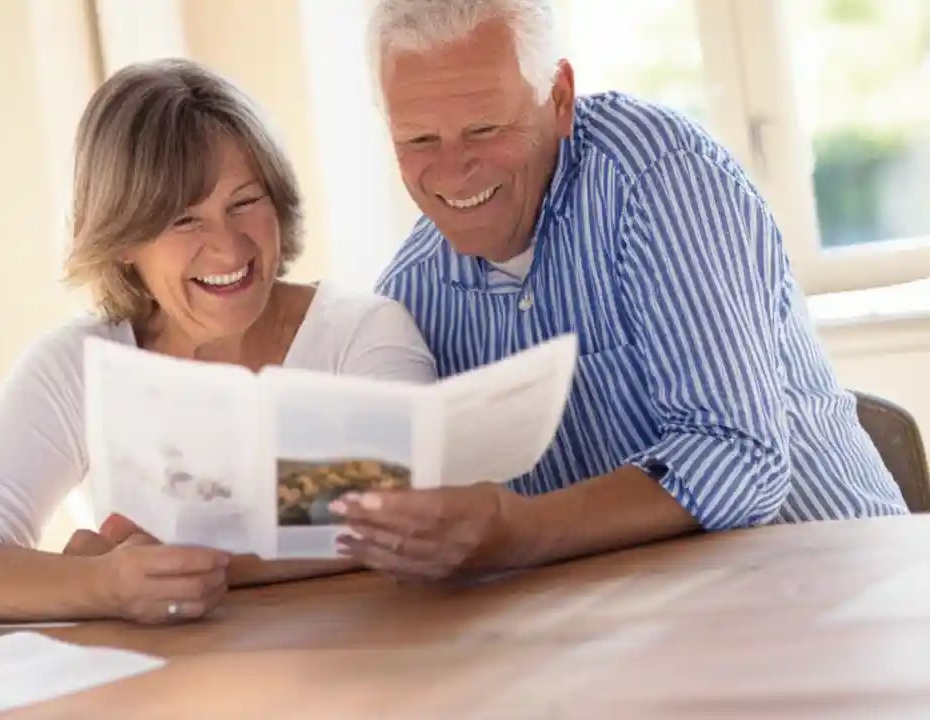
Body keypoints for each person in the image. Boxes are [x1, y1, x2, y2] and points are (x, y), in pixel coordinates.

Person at [332, 0, 908, 582]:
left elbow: (741, 458)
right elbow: (365, 510)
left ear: (559, 98)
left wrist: (518, 528)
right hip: (632, 631)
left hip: (831, 587)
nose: (454, 171)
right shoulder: (408, 295)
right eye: (419, 139)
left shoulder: (660, 178)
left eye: (484, 129)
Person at [0, 59, 436, 624]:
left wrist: (192, 561)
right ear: (122, 242)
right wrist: (104, 582)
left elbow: (412, 513)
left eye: (244, 203)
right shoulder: (78, 367)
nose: (229, 248)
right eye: (184, 220)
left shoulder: (363, 333)